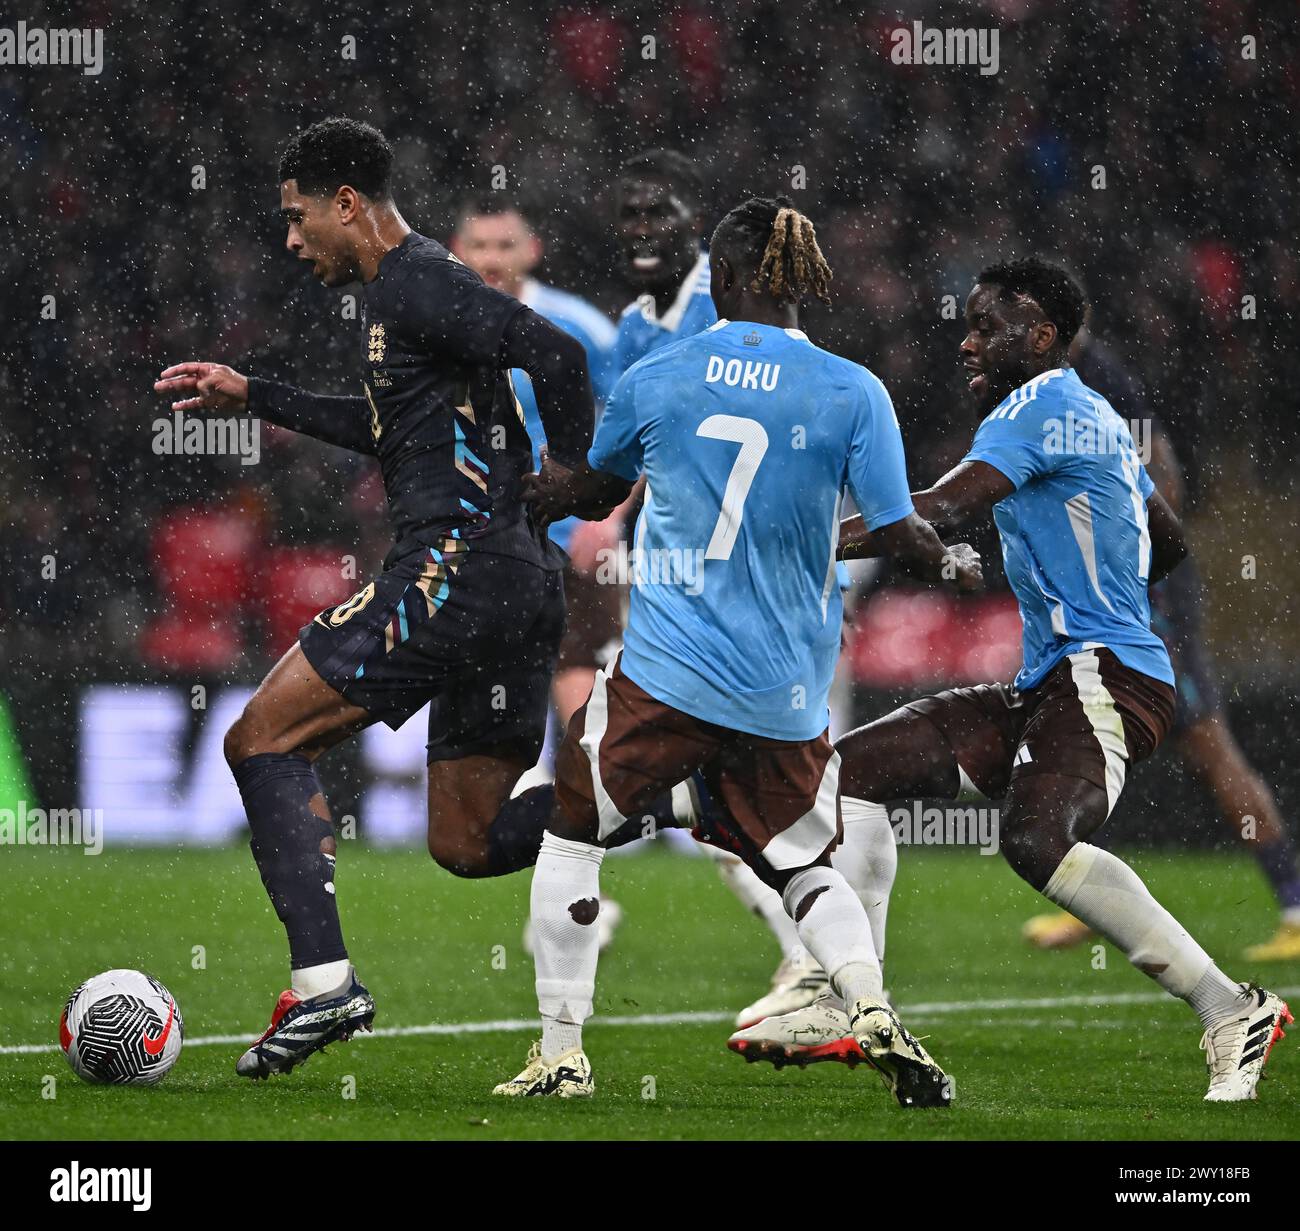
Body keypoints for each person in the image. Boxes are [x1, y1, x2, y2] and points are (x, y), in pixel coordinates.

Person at [152, 116, 680, 1079]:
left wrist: (582, 482)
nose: (291, 240)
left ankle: (324, 986)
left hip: (455, 570)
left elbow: (556, 353)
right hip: (516, 582)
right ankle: (674, 787)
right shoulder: (407, 296)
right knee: (469, 839)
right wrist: (256, 393)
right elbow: (387, 425)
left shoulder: (420, 281)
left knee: (258, 738)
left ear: (346, 204)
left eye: (298, 217)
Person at [729, 258, 1291, 1102]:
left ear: (1041, 338)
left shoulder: (1038, 405)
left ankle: (1229, 1007)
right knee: (844, 778)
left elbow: (943, 506)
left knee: (1034, 841)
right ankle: (846, 993)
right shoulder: (1091, 413)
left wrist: (799, 540)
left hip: (1097, 674)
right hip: (1056, 678)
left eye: (989, 326)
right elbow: (1166, 537)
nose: (967, 340)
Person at [493, 197, 981, 1106]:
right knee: (801, 861)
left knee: (572, 826)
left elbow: (596, 492)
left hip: (668, 672)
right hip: (785, 687)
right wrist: (943, 552)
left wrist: (544, 483)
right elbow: (896, 529)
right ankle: (869, 1004)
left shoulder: (663, 372)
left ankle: (561, 1051)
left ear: (723, 279)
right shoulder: (853, 389)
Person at [1022, 329, 1300, 959]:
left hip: (1153, 598)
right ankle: (1101, 900)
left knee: (1208, 746)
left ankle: (1295, 903)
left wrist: (1134, 566)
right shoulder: (1062, 384)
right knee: (1094, 735)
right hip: (1115, 593)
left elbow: (1161, 473)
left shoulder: (1099, 376)